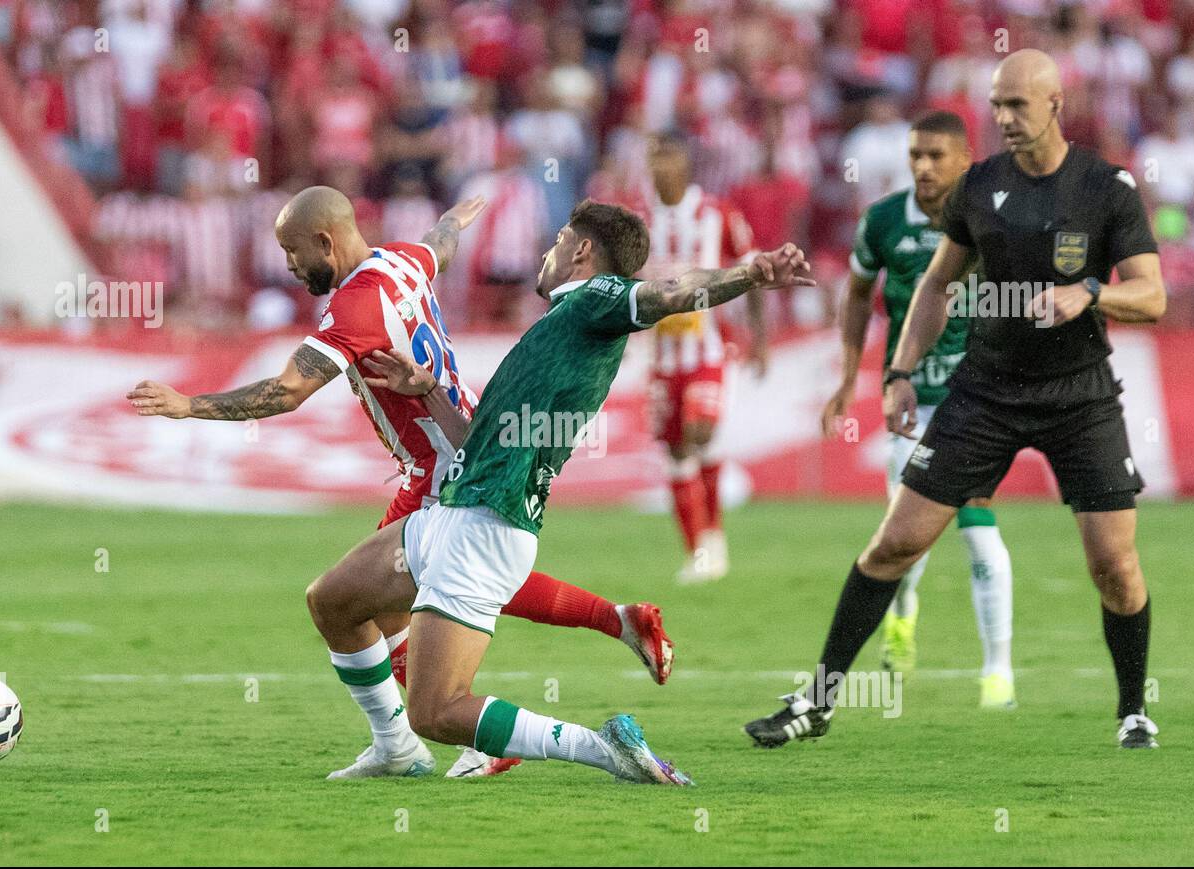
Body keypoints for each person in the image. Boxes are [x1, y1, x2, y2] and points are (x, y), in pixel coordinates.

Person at [127, 187, 674, 779]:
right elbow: (440, 245)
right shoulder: (403, 259)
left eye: (291, 249)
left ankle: (445, 739)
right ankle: (427, 733)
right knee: (363, 605)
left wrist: (189, 405)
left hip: (444, 476)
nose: (286, 263)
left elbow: (287, 390)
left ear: (325, 242)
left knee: (373, 610)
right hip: (453, 453)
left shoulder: (357, 305)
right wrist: (451, 221)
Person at [746, 49, 1166, 751]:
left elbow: (1153, 295)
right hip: (987, 392)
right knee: (895, 542)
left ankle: (1132, 710)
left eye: (1016, 105)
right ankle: (815, 702)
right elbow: (940, 284)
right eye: (996, 105)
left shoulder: (1106, 187)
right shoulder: (981, 187)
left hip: (1080, 396)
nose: (1002, 118)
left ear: (1055, 105)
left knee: (1114, 568)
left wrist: (1091, 292)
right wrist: (901, 371)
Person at [310, 199, 814, 784]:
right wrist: (426, 390)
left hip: (482, 526)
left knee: (437, 711)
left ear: (581, 251)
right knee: (333, 600)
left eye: (557, 240)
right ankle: (395, 748)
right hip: (454, 512)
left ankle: (604, 748)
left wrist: (750, 272)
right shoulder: (559, 324)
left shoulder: (596, 301)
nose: (546, 253)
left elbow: (673, 291)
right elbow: (479, 441)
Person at [821, 110, 1016, 707]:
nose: (923, 167)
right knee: (902, 539)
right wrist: (849, 376)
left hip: (974, 401)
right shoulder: (883, 221)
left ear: (965, 160)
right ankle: (903, 614)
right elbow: (856, 295)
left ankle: (997, 673)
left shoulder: (991, 220)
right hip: (907, 403)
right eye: (915, 156)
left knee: (977, 524)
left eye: (936, 156)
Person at [643, 131, 767, 584]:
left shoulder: (717, 213)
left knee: (701, 428)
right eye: (655, 156)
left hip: (709, 349)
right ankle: (700, 550)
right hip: (661, 358)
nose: (661, 166)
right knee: (678, 451)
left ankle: (713, 539)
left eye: (669, 156)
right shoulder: (639, 222)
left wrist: (761, 340)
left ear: (687, 163)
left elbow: (755, 270)